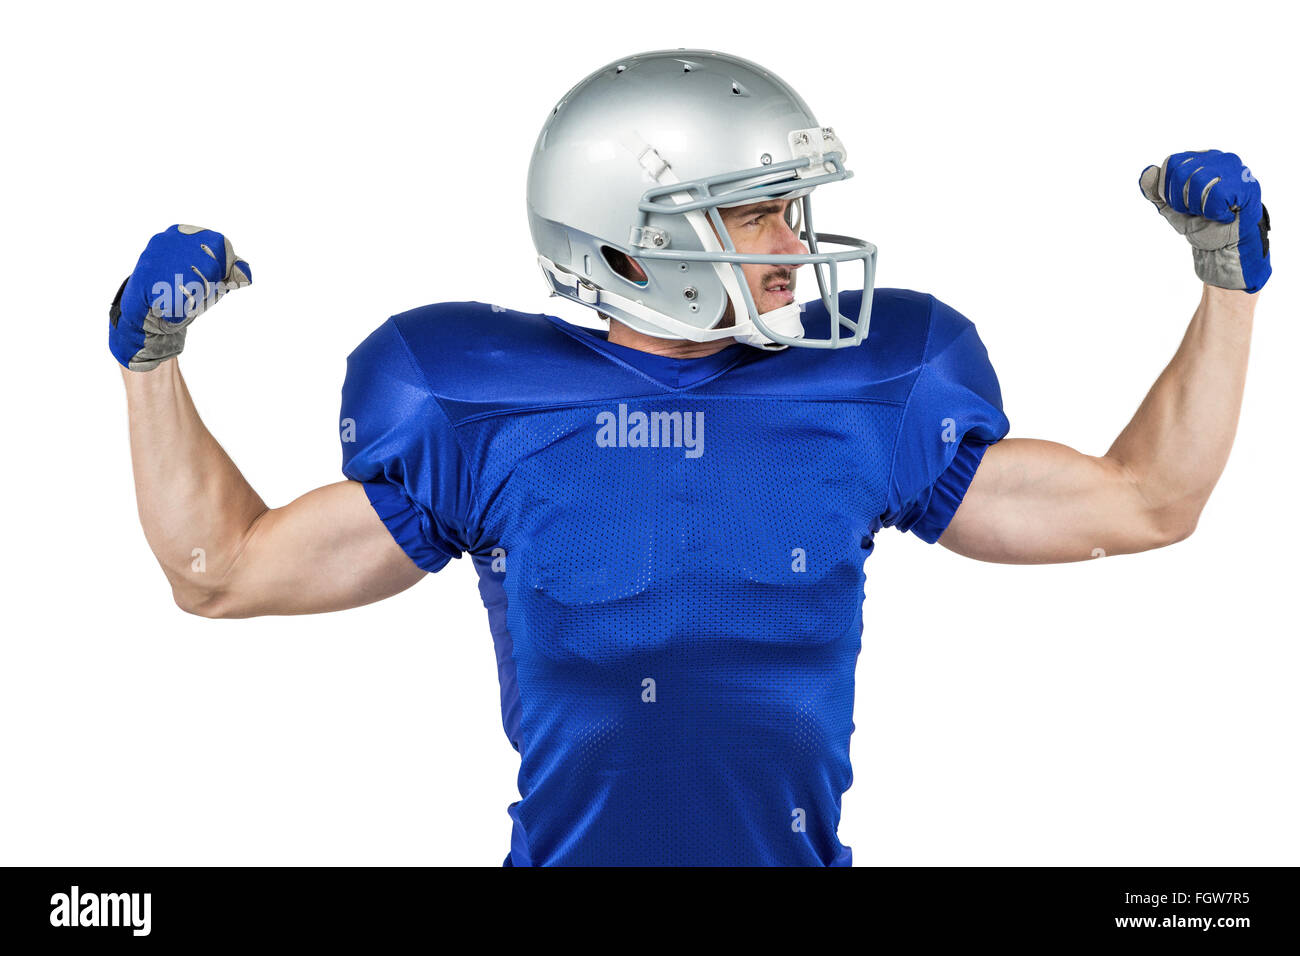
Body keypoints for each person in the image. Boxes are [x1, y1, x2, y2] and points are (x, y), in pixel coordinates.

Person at [110, 49, 1270, 866]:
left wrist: (1225, 286)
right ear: (631, 235)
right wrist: (153, 363)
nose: (796, 245)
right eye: (759, 211)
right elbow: (223, 573)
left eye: (795, 207)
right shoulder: (478, 405)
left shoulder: (872, 386)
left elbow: (1149, 502)